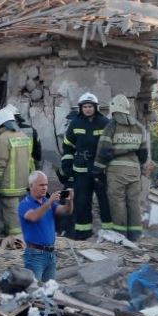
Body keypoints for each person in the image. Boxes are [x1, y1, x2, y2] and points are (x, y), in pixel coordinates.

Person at [93, 94, 149, 241]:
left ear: (114, 109)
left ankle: (120, 236)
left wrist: (97, 171)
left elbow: (104, 151)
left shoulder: (112, 125)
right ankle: (135, 236)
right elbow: (143, 154)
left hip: (116, 171)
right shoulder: (139, 127)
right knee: (133, 202)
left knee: (117, 202)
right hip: (134, 171)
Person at [61, 92, 112, 239]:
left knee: (105, 202)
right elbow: (68, 146)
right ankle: (83, 233)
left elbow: (111, 146)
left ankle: (109, 234)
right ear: (81, 108)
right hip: (81, 170)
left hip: (100, 170)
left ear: (95, 107)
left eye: (90, 106)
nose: (88, 109)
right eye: (85, 107)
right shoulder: (75, 124)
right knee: (82, 202)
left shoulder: (105, 123)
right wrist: (67, 165)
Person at [19, 171, 72, 281]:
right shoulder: (25, 204)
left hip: (50, 253)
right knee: (35, 288)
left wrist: (70, 201)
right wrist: (49, 203)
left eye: (46, 185)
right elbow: (34, 217)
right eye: (41, 185)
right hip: (35, 255)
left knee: (50, 288)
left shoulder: (47, 202)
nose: (45, 188)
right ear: (31, 186)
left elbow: (65, 211)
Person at [0, 106, 35, 237]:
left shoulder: (2, 139)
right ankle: (26, 235)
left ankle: (16, 240)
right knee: (22, 211)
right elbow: (31, 161)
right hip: (24, 184)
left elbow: (0, 164)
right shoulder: (24, 136)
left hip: (9, 185)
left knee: (12, 216)